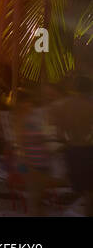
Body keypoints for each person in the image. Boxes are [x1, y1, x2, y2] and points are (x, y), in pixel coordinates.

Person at [49, 75, 93, 215]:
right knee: (90, 191)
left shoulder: (64, 106)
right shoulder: (90, 105)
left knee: (79, 187)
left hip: (72, 150)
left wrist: (68, 141)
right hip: (88, 149)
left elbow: (59, 132)